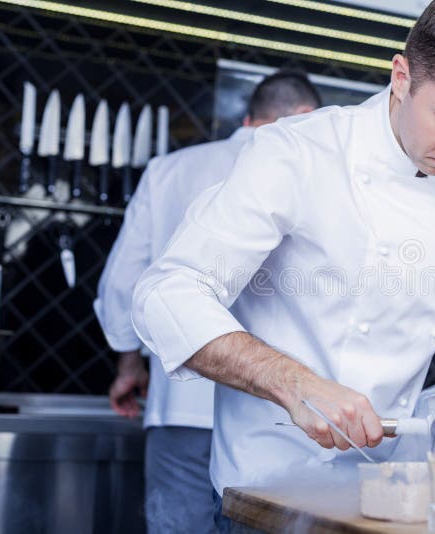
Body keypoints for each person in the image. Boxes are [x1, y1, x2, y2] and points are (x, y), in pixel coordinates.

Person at [131, 0, 435, 524]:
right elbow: (167, 293)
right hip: (264, 497)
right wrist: (294, 383)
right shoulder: (297, 152)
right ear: (401, 76)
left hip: (387, 498)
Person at [93, 71, 321, 533]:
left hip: (181, 406)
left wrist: (128, 368)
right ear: (301, 117)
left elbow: (122, 284)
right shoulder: (313, 179)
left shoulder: (170, 169)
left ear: (247, 116)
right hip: (276, 419)